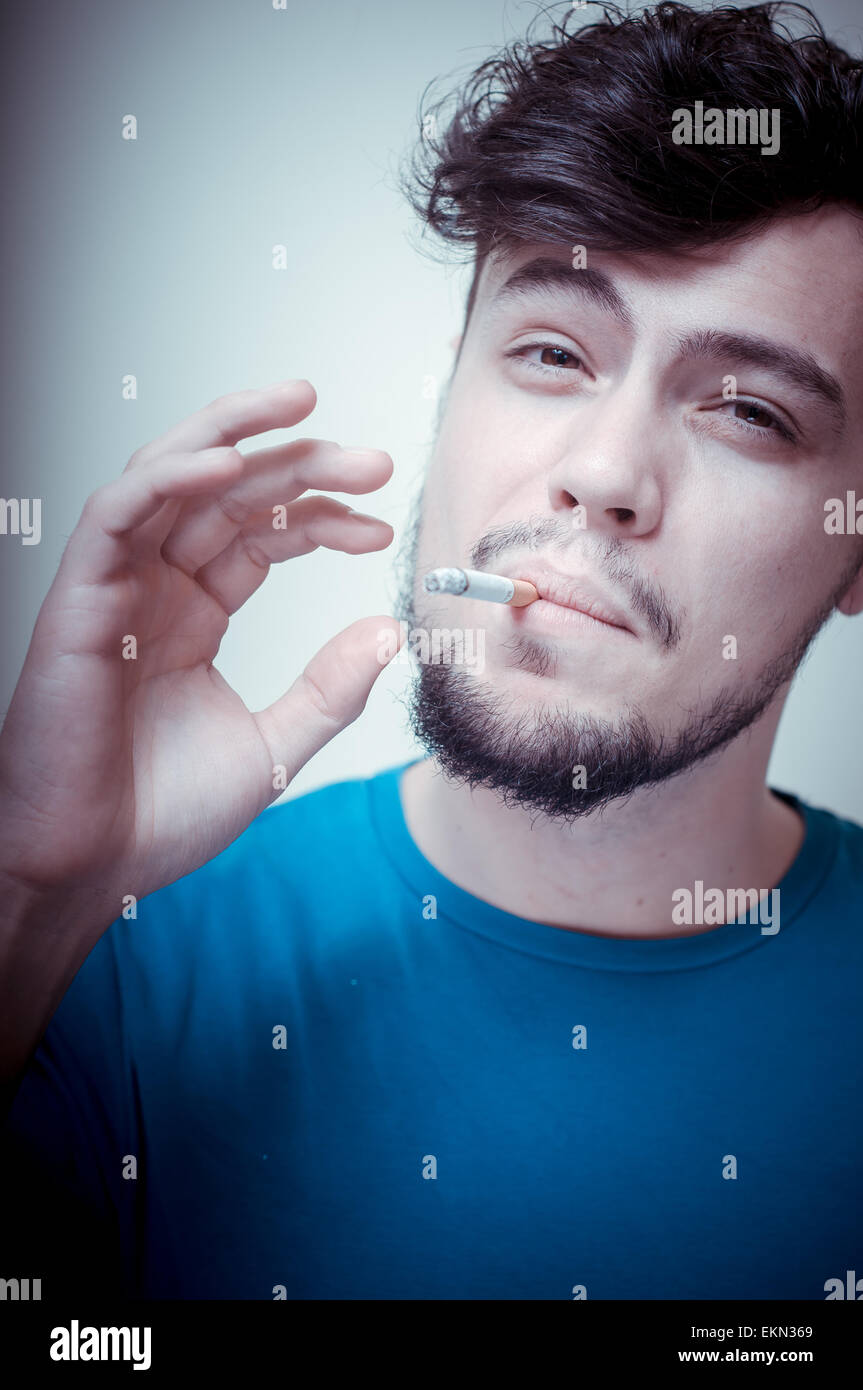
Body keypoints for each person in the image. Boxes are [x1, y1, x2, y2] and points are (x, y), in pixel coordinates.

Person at [1, 2, 862, 1300]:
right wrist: (32, 889)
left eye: (747, 409)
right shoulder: (99, 956)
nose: (604, 473)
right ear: (454, 380)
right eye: (554, 350)